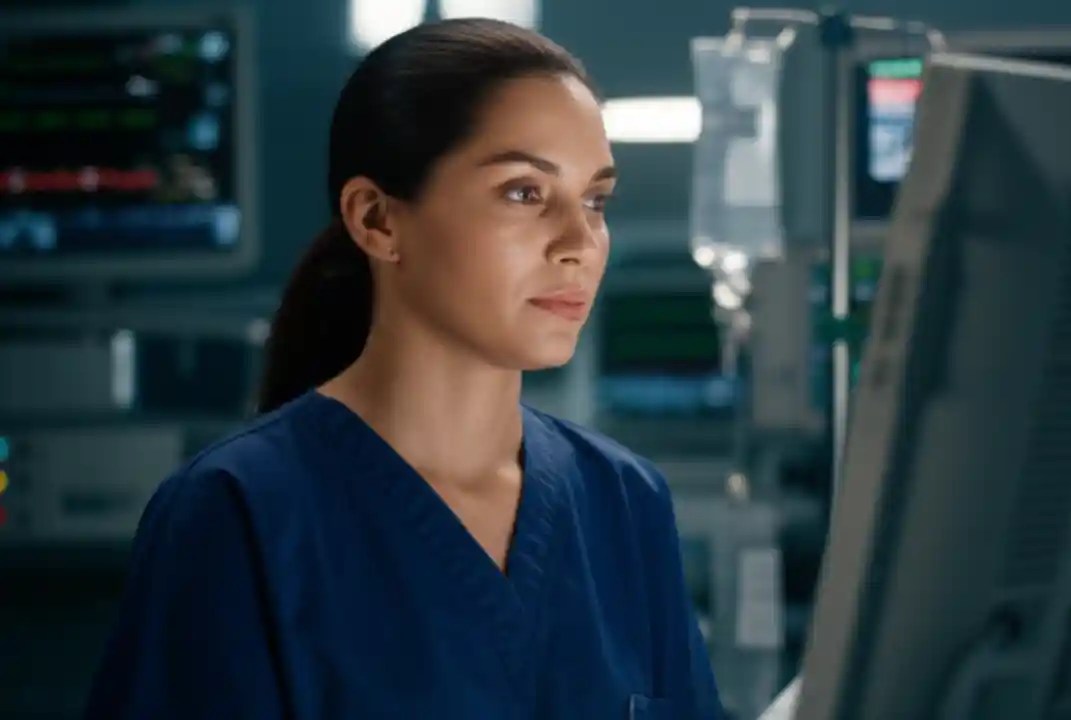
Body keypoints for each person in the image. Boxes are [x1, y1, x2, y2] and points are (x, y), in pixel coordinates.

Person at [84, 19, 720, 719]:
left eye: (595, 201)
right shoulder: (240, 514)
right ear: (377, 220)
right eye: (523, 193)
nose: (580, 242)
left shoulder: (624, 503)